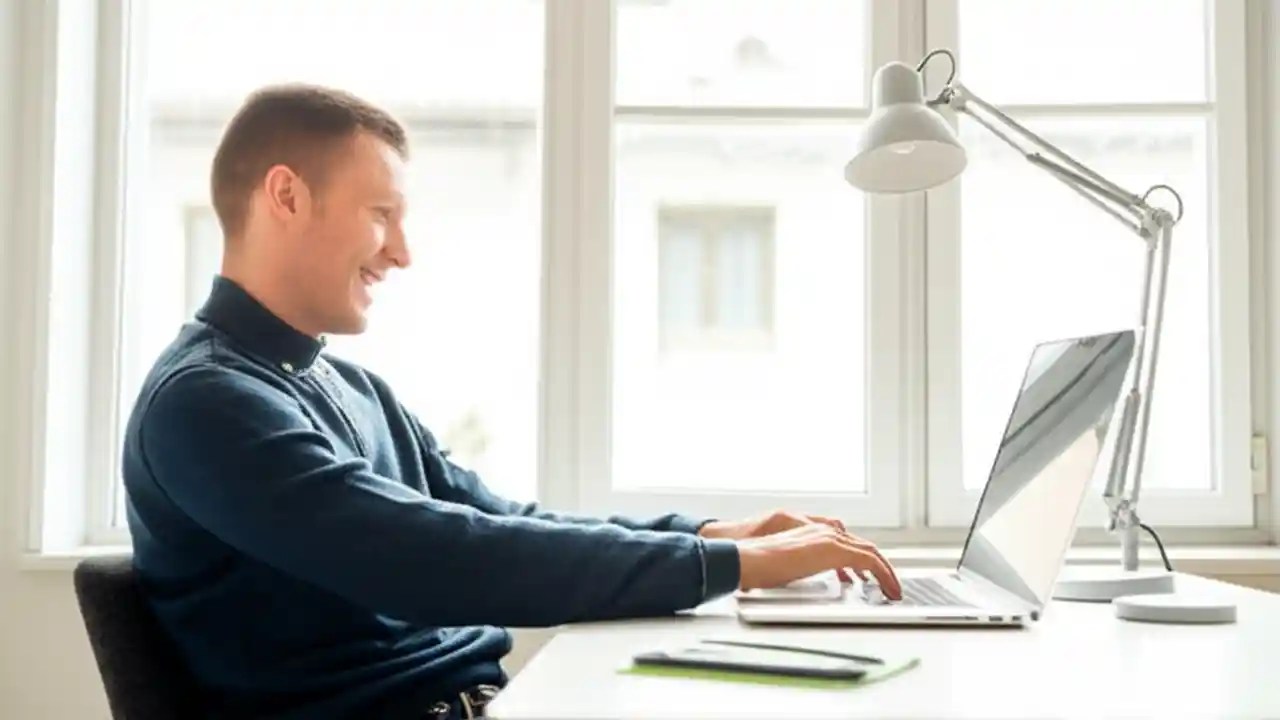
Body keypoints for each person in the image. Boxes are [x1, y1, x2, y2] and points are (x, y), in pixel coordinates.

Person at [122, 84, 902, 720]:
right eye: (382, 215)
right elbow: (436, 559)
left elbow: (497, 522)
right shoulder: (204, 403)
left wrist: (709, 535)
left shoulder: (349, 389)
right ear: (286, 197)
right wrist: (731, 564)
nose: (401, 251)